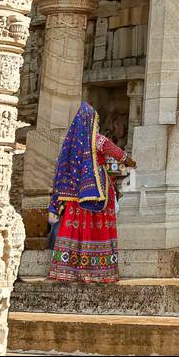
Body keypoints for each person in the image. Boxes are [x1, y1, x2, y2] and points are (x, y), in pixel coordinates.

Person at [47, 101, 134, 284]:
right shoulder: (98, 140)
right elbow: (117, 152)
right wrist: (131, 162)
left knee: (75, 225)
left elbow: (61, 168)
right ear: (92, 121)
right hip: (97, 190)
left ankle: (67, 270)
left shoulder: (71, 144)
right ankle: (97, 270)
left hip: (74, 192)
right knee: (97, 225)